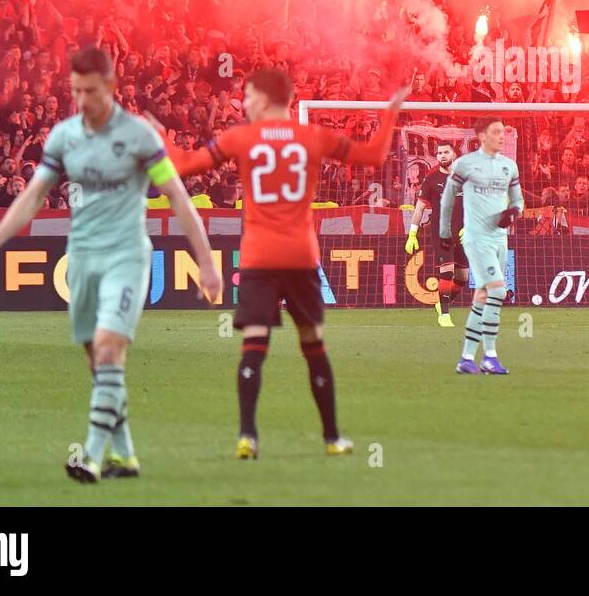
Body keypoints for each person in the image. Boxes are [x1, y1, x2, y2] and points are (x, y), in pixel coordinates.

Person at [0, 46, 221, 483]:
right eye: (76, 90)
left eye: (89, 90)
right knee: (98, 361)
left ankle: (90, 455)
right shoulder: (65, 137)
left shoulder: (141, 138)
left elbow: (179, 198)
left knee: (108, 349)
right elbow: (32, 196)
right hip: (81, 258)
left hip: (126, 255)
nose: (81, 99)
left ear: (110, 86)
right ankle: (125, 457)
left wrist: (207, 263)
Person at [155, 67, 405, 459]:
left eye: (249, 96)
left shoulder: (242, 138)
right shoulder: (313, 137)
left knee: (255, 343)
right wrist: (390, 113)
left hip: (258, 257)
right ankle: (332, 438)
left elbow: (184, 166)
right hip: (301, 256)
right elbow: (373, 155)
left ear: (267, 99)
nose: (246, 102)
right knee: (313, 345)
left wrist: (160, 138)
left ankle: (247, 436)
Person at [440, 117, 523, 375]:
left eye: (503, 132)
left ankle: (468, 358)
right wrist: (444, 231)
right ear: (481, 136)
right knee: (497, 291)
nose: (501, 136)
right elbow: (447, 198)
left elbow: (517, 200)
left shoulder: (509, 166)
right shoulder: (466, 164)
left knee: (484, 296)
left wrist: (513, 212)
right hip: (476, 238)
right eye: (496, 132)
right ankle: (489, 356)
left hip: (500, 238)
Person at [407, 140, 470, 327]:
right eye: (439, 153)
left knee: (462, 277)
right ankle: (444, 315)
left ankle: (442, 303)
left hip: (462, 232)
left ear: (454, 155)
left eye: (445, 152)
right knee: (447, 272)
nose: (442, 155)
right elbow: (419, 209)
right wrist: (412, 233)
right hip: (441, 232)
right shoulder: (431, 178)